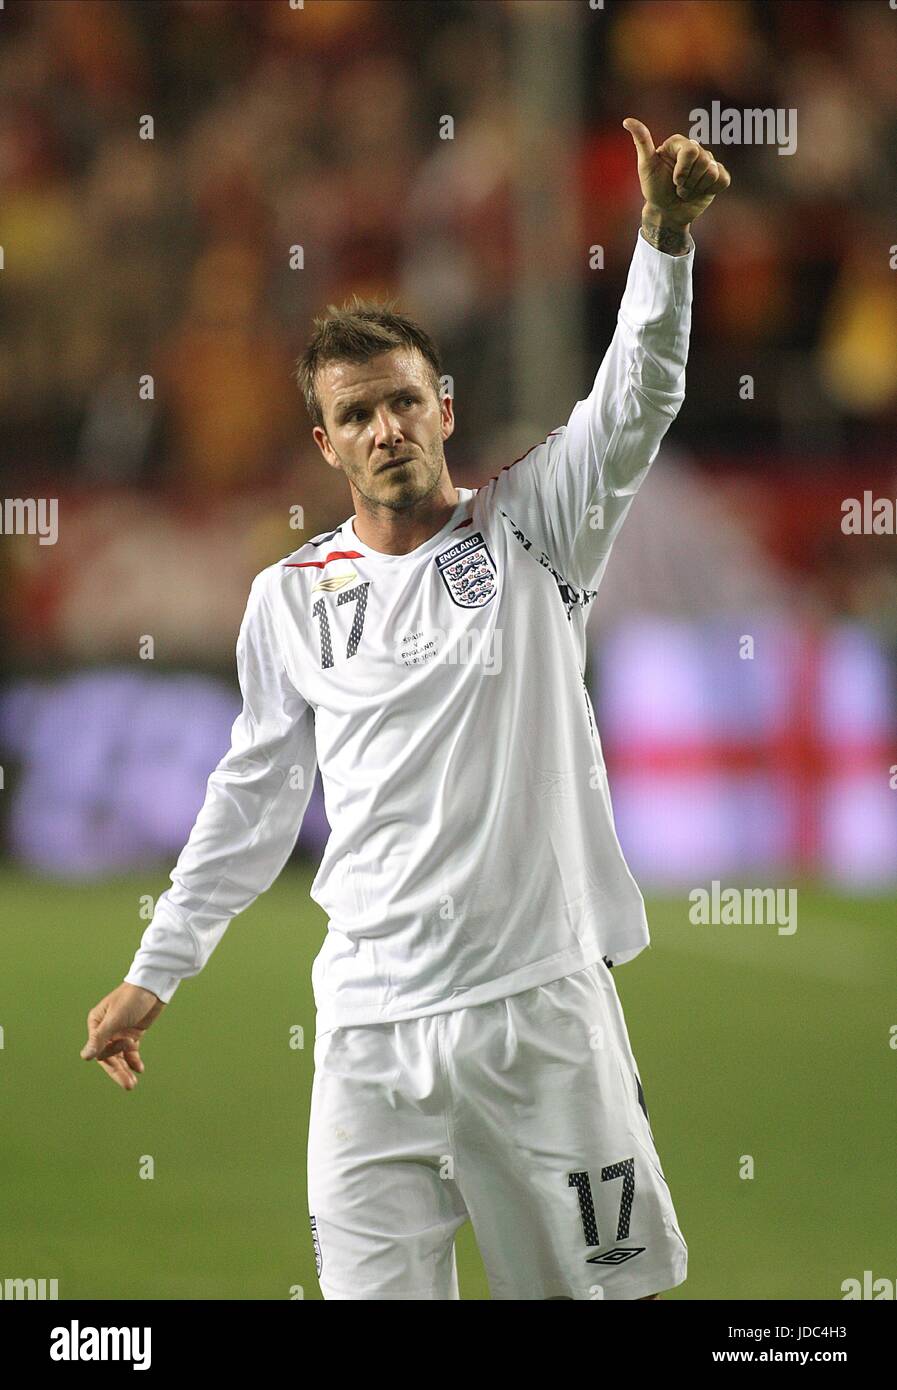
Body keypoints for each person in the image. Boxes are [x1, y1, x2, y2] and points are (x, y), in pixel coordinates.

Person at [81, 120, 730, 1300]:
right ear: (325, 444)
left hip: (538, 1011)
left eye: (403, 403)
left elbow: (637, 401)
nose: (386, 429)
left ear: (441, 403)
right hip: (368, 1035)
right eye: (358, 416)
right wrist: (156, 967)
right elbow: (252, 800)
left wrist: (663, 241)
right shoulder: (287, 603)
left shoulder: (539, 526)